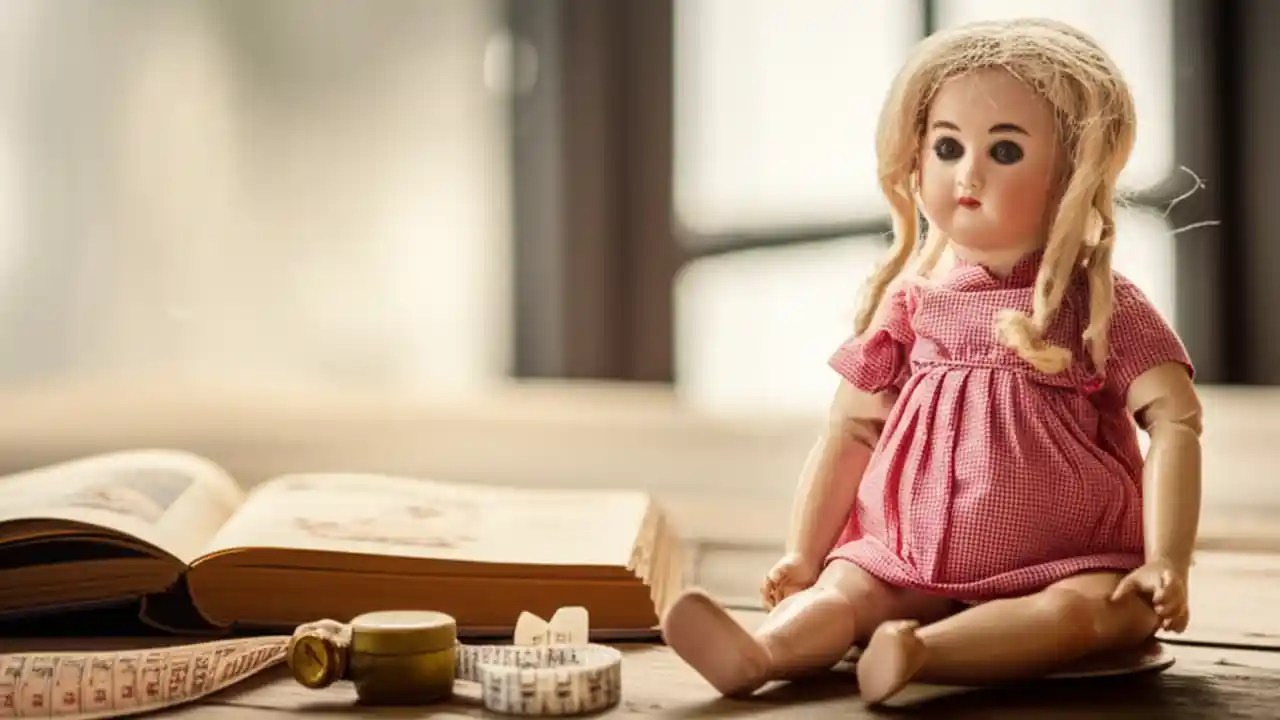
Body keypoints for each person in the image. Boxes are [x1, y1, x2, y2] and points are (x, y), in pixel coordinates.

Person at [660, 17, 1203, 705]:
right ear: (915, 161)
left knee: (1087, 615)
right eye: (947, 147)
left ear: (1072, 171)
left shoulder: (1099, 304)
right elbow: (850, 432)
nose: (968, 172)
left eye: (1005, 152)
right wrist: (804, 551)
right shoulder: (913, 305)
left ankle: (919, 653)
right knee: (845, 589)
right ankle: (762, 651)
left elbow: (1175, 421)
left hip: (1067, 561)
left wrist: (1166, 560)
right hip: (910, 553)